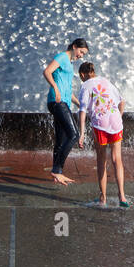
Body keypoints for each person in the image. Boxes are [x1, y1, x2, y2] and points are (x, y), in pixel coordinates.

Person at [77, 61, 128, 207]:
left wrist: (81, 133)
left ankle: (103, 198)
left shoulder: (85, 86)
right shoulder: (106, 81)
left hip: (100, 125)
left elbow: (82, 110)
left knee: (101, 160)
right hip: (116, 122)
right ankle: (122, 197)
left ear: (82, 74)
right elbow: (122, 101)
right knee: (116, 159)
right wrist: (119, 116)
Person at [43, 38, 89, 185]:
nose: (81, 56)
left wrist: (82, 104)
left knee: (60, 140)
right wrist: (55, 88)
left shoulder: (68, 63)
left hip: (63, 101)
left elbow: (68, 91)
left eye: (83, 54)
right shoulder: (62, 57)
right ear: (74, 46)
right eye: (81, 52)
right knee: (74, 134)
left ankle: (56, 173)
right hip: (58, 102)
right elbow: (47, 71)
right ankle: (57, 170)